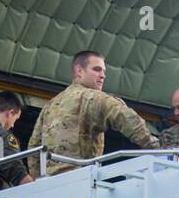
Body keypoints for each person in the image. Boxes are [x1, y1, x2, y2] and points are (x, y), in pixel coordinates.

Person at [27, 50, 158, 178]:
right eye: (97, 69)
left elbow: (34, 148)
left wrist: (39, 180)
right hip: (80, 181)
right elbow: (126, 118)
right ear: (79, 71)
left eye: (104, 71)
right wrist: (158, 148)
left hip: (50, 186)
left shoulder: (50, 105)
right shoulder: (93, 97)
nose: (103, 75)